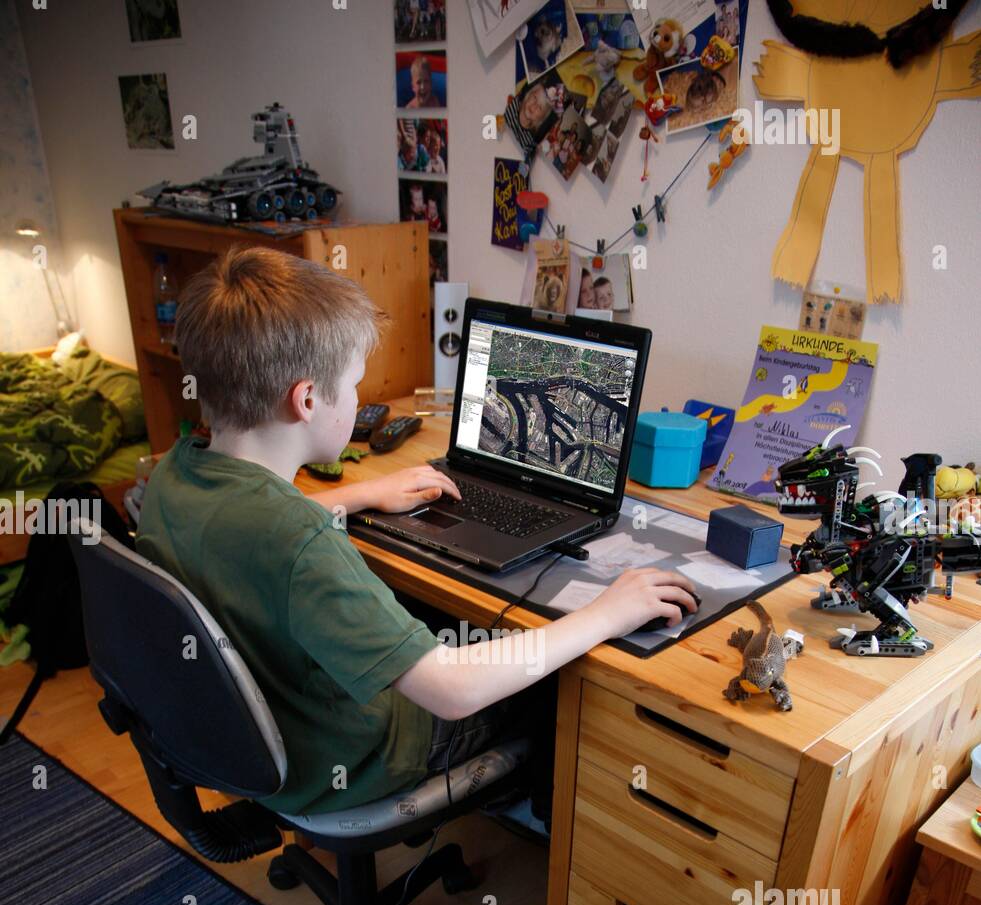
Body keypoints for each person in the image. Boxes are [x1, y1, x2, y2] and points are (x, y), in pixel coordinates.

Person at [136, 248, 697, 820]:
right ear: (306, 400)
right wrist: (609, 612)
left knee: (445, 621)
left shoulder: (174, 473)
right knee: (547, 679)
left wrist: (356, 495)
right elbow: (453, 691)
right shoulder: (301, 543)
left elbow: (247, 526)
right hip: (349, 758)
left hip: (260, 741)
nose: (360, 399)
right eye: (355, 383)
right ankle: (539, 828)